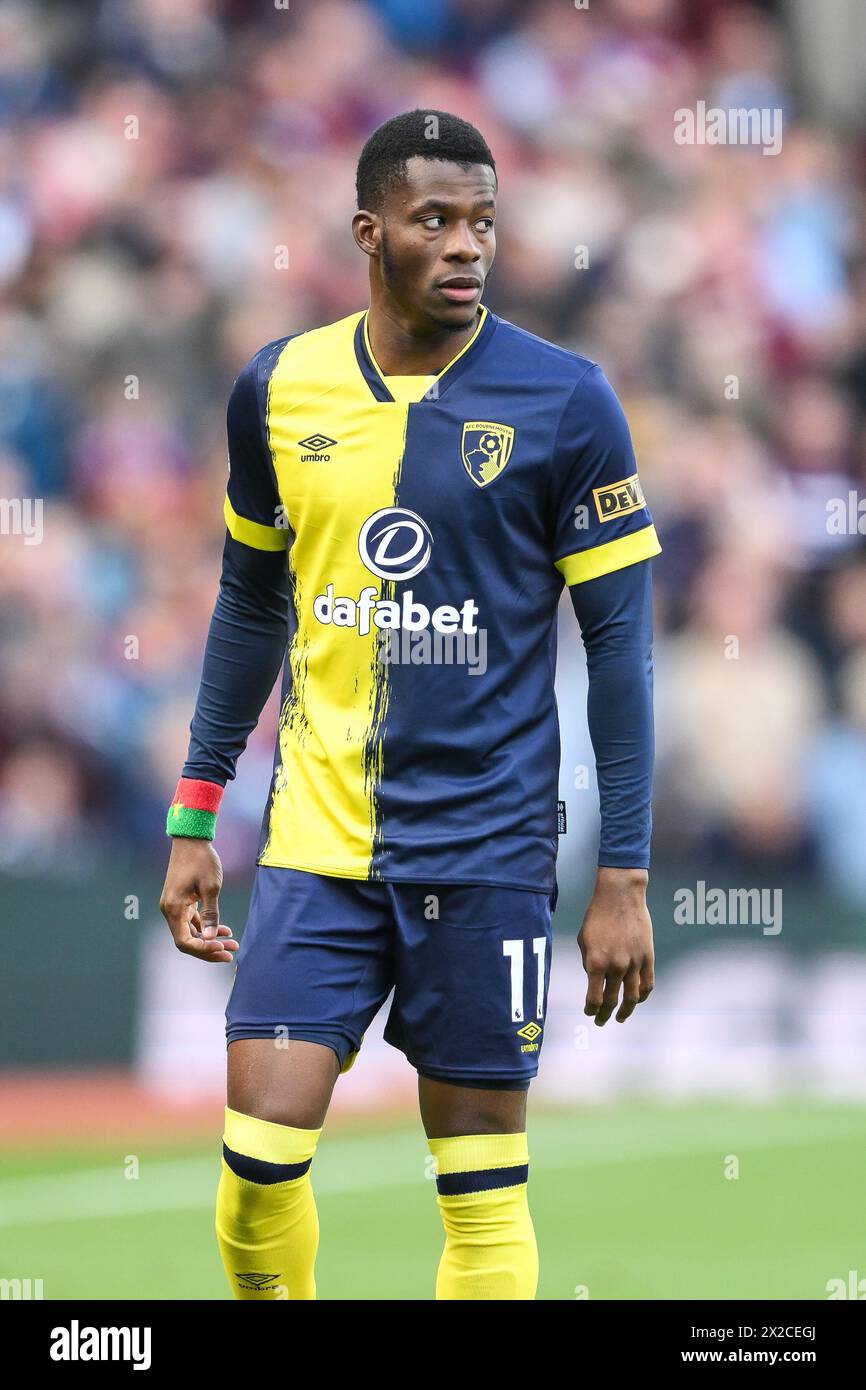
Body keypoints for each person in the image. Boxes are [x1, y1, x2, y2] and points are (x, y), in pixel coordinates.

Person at [159, 109, 659, 1302]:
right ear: (367, 232)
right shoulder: (276, 389)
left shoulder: (566, 402)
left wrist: (624, 873)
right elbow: (246, 613)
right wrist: (193, 813)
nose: (464, 246)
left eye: (482, 221)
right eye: (434, 220)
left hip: (485, 849)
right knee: (257, 1162)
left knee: (481, 1194)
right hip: (316, 843)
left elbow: (621, 650)